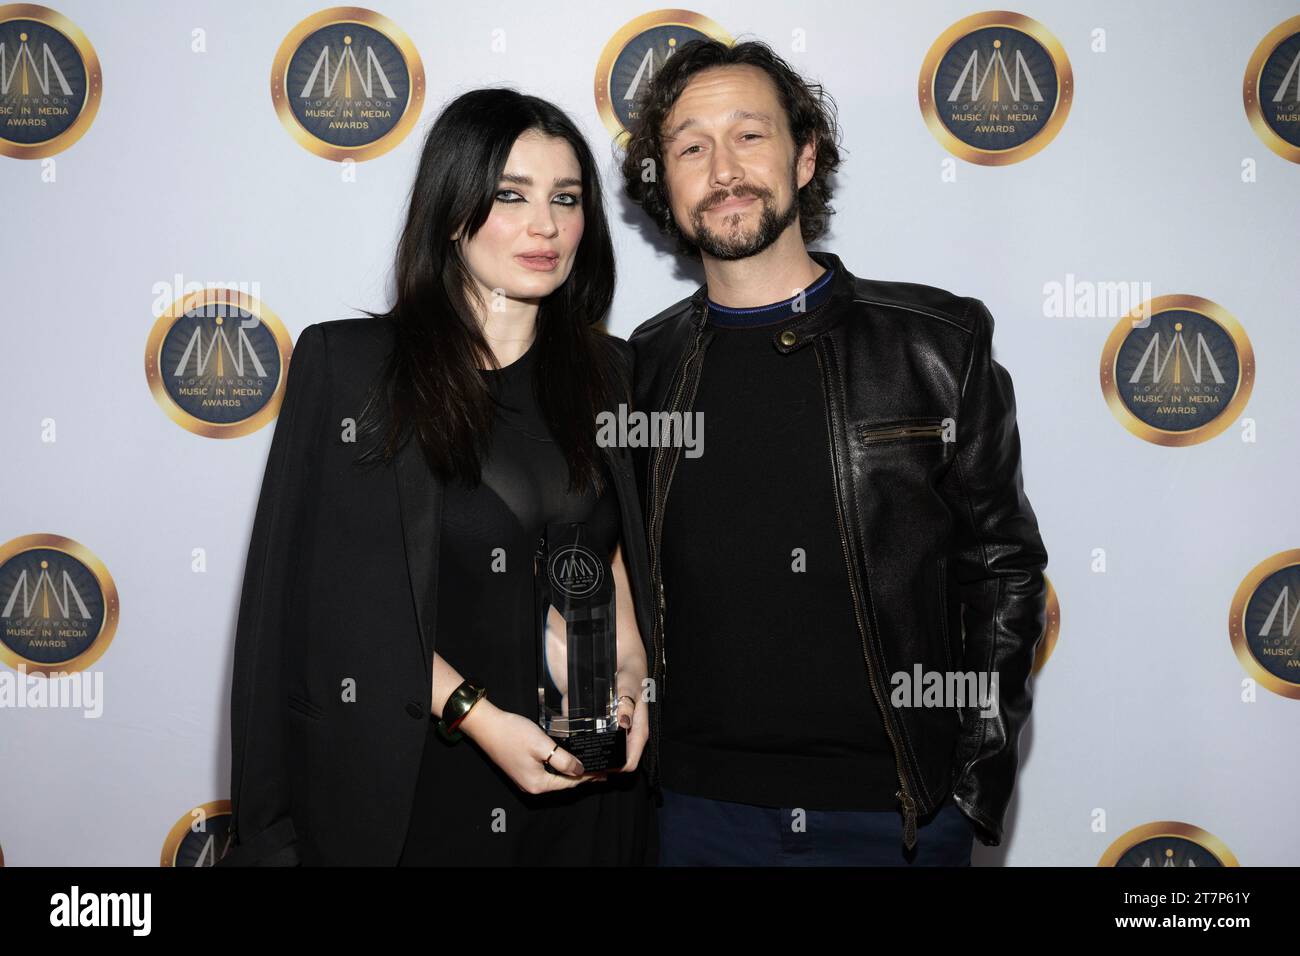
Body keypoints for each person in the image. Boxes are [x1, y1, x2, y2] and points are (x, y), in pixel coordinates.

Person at [618, 39, 1050, 865]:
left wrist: (971, 789)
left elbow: (1003, 570)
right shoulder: (641, 368)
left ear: (805, 156)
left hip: (894, 820)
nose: (723, 167)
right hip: (694, 817)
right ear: (663, 183)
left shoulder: (934, 344)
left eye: (750, 134)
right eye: (690, 146)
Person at [220, 88, 657, 866]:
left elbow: (612, 562)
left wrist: (631, 689)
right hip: (417, 779)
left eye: (566, 199)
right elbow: (333, 608)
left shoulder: (613, 374)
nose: (546, 226)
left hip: (584, 792)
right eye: (510, 196)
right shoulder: (351, 369)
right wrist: (480, 716)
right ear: (452, 208)